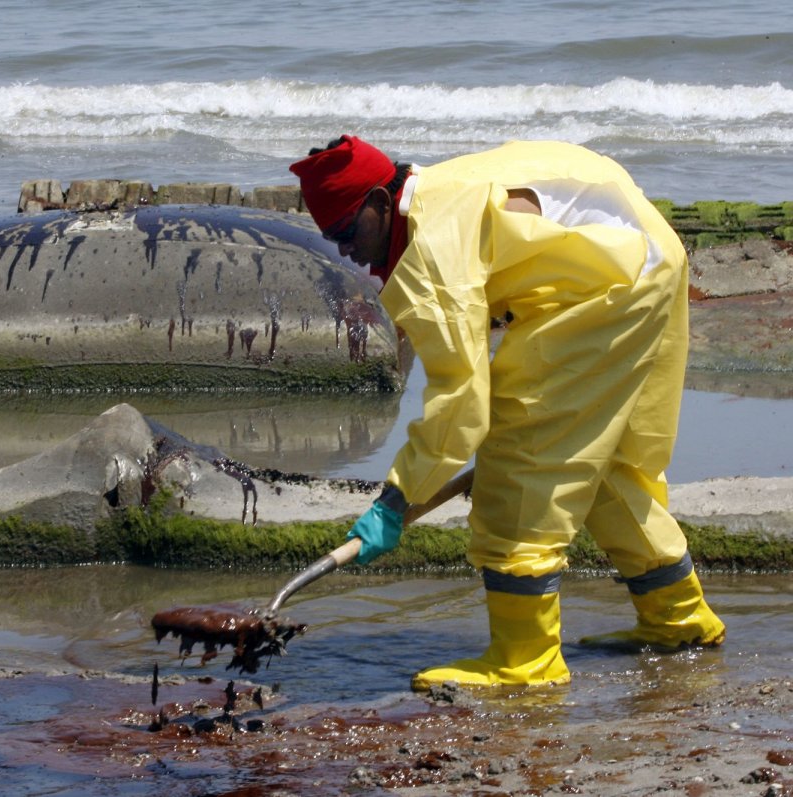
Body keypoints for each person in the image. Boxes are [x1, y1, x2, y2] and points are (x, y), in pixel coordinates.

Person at [289, 136, 726, 689]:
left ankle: (526, 661)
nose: (346, 251)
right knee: (604, 463)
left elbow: (460, 402)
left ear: (380, 200)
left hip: (609, 285)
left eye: (349, 232)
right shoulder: (441, 193)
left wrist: (397, 499)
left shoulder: (432, 250)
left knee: (522, 466)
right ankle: (680, 620)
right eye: (332, 240)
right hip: (648, 255)